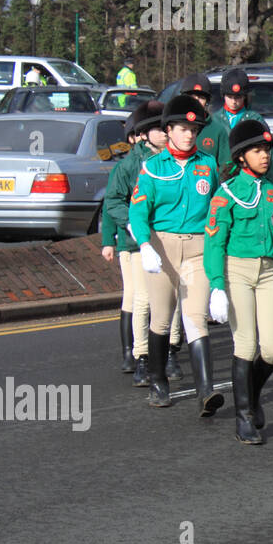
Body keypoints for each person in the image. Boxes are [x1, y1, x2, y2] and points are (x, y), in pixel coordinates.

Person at [128, 95, 224, 414]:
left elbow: (217, 208)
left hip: (198, 247)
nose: (188, 134)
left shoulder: (207, 164)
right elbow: (139, 211)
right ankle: (158, 380)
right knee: (162, 317)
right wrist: (144, 244)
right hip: (162, 246)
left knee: (195, 317)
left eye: (193, 130)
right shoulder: (153, 167)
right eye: (182, 128)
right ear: (168, 130)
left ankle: (206, 390)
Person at [204, 120, 273, 445]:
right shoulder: (225, 194)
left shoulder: (272, 193)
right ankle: (244, 416)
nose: (265, 155)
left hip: (268, 271)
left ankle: (252, 394)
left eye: (267, 149)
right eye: (257, 150)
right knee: (245, 343)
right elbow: (214, 243)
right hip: (236, 270)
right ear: (241, 156)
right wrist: (216, 285)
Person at [101, 101, 166, 381]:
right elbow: (110, 205)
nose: (165, 133)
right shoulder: (129, 166)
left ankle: (167, 352)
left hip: (162, 237)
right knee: (137, 297)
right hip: (131, 241)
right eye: (158, 129)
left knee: (162, 298)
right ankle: (136, 354)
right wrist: (110, 239)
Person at [198, 68, 269, 171]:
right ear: (223, 95)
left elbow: (267, 153)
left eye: (238, 97)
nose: (234, 101)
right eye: (229, 96)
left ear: (244, 96)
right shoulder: (213, 120)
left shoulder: (255, 121)